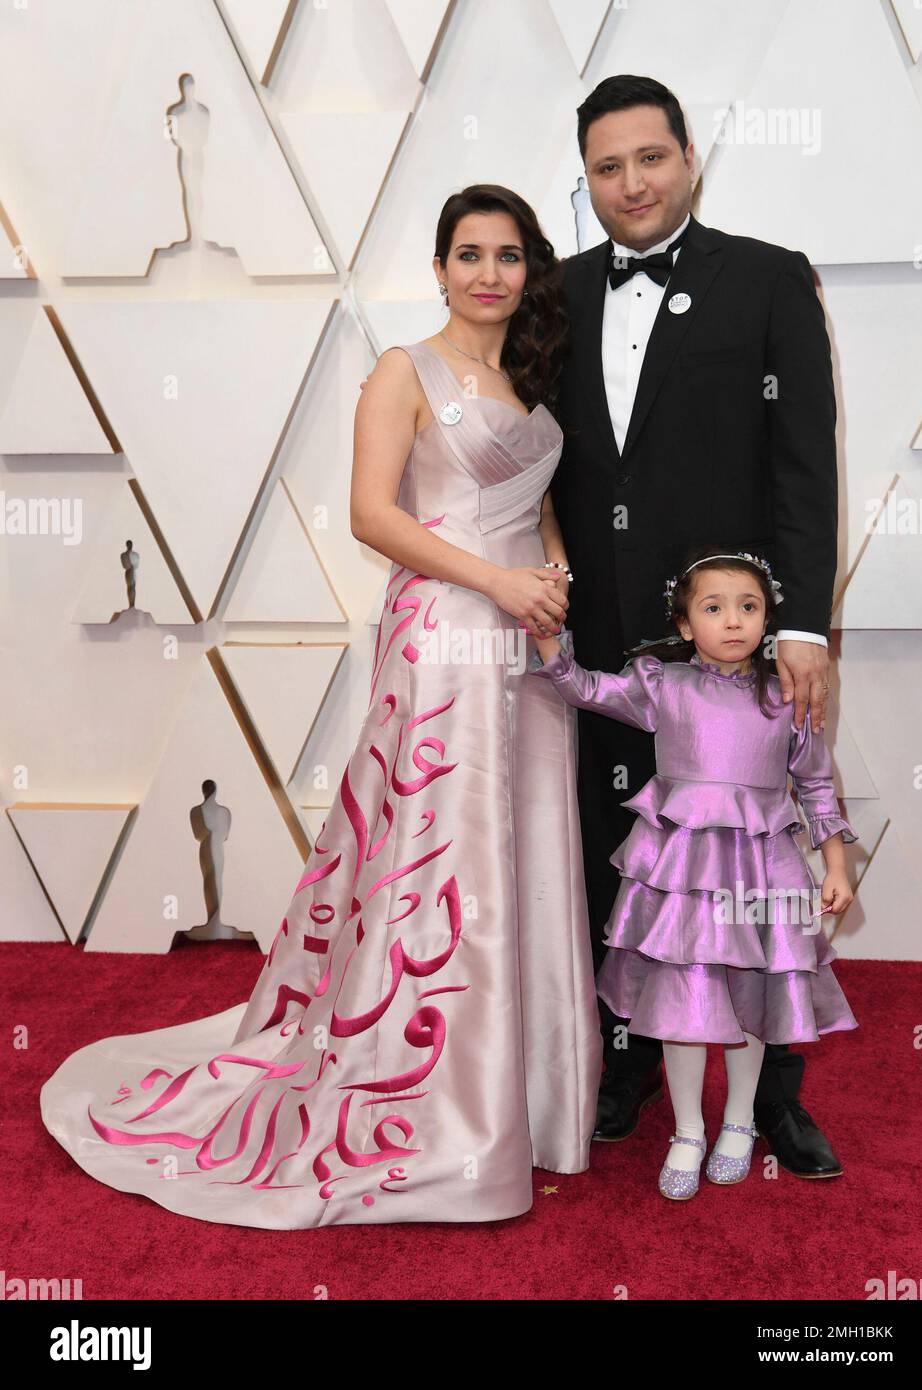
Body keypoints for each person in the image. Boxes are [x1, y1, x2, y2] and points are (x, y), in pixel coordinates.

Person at [39, 184, 602, 1229]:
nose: (489, 272)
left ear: (529, 271)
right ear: (437, 267)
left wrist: (551, 589)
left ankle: (526, 1095)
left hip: (525, 646)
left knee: (517, 854)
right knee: (446, 858)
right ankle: (433, 1102)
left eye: (509, 255)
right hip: (443, 638)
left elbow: (545, 510)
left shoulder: (528, 378)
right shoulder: (405, 370)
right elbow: (371, 516)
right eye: (469, 253)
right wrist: (496, 586)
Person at [550, 73, 847, 1175]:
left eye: (649, 157)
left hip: (741, 646)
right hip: (605, 638)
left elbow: (805, 464)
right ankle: (625, 1056)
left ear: (689, 159)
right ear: (586, 181)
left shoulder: (769, 280)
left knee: (761, 871)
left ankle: (772, 1094)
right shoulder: (559, 292)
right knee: (617, 857)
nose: (631, 182)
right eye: (607, 166)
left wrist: (803, 625)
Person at [528, 548, 858, 1199]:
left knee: (755, 999)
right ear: (684, 625)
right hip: (681, 873)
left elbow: (815, 786)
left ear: (766, 619)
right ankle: (686, 1130)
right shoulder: (661, 684)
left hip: (768, 872)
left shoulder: (783, 695)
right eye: (713, 608)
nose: (732, 621)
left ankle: (738, 1124)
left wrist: (837, 865)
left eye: (747, 607)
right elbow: (586, 690)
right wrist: (549, 643)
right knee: (683, 1001)